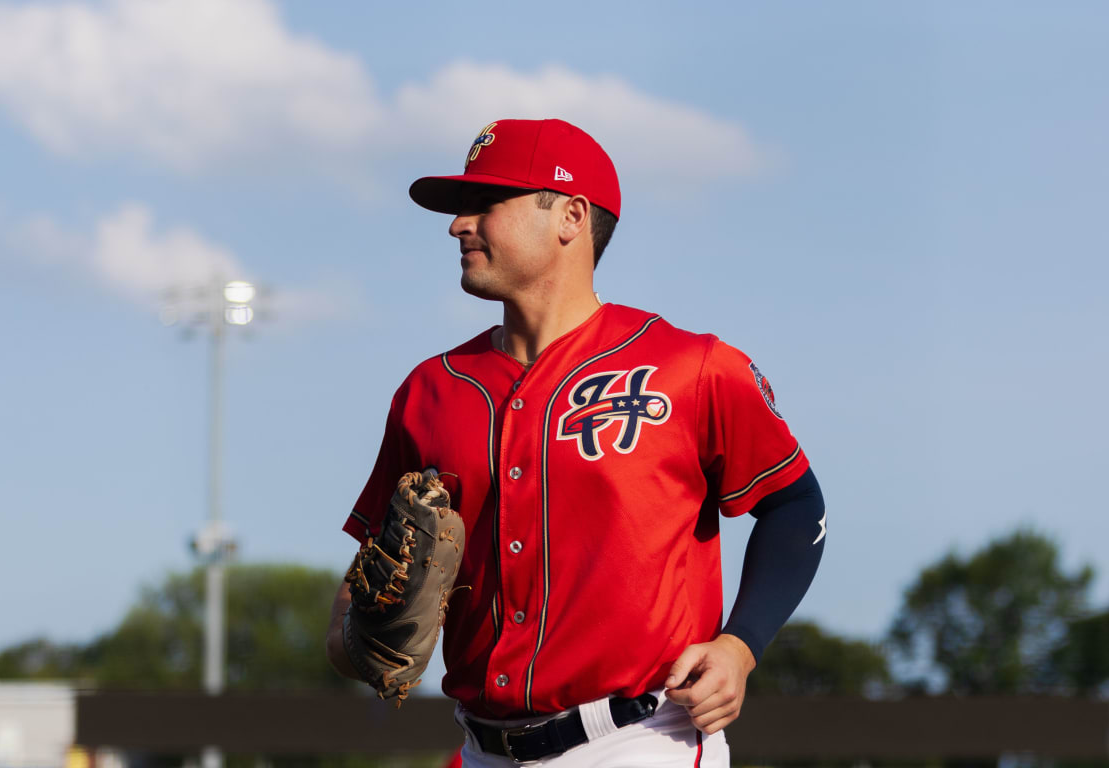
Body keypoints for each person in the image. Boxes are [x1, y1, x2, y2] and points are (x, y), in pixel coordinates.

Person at [326, 118, 827, 766]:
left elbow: (797, 508)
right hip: (480, 747)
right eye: (459, 208)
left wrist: (741, 644)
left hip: (641, 741)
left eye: (485, 204)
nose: (458, 224)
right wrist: (355, 633)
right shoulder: (431, 390)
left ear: (570, 216)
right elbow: (365, 575)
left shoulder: (690, 368)